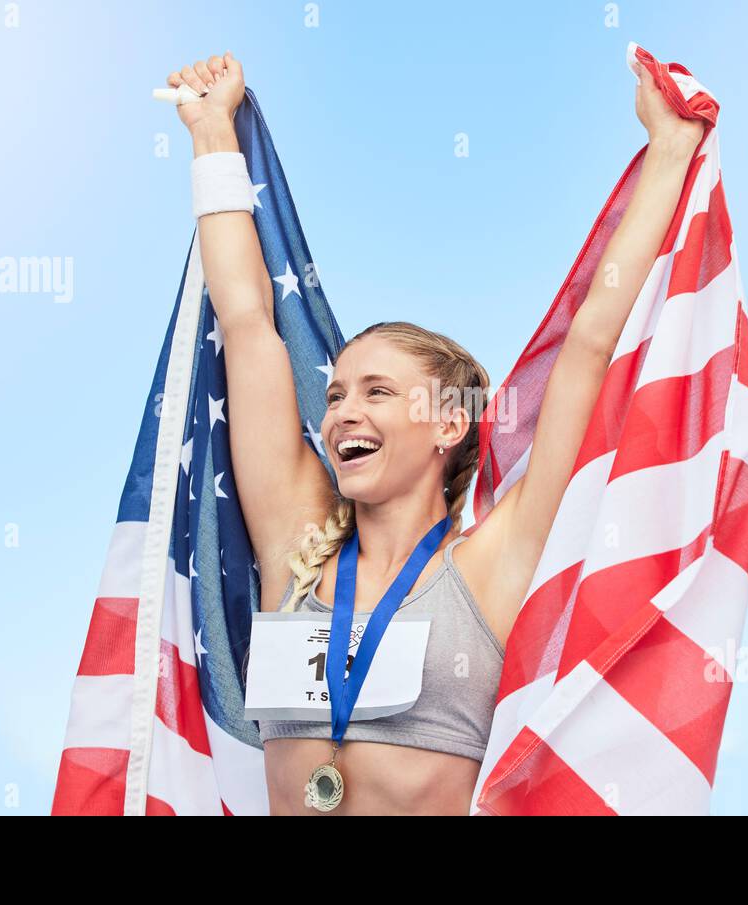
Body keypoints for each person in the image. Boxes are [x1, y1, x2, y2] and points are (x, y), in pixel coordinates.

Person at [166, 50, 702, 815]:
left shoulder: (492, 563)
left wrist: (670, 150)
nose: (342, 412)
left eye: (378, 392)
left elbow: (588, 347)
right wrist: (212, 134)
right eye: (337, 395)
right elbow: (248, 324)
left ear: (449, 421)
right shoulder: (295, 550)